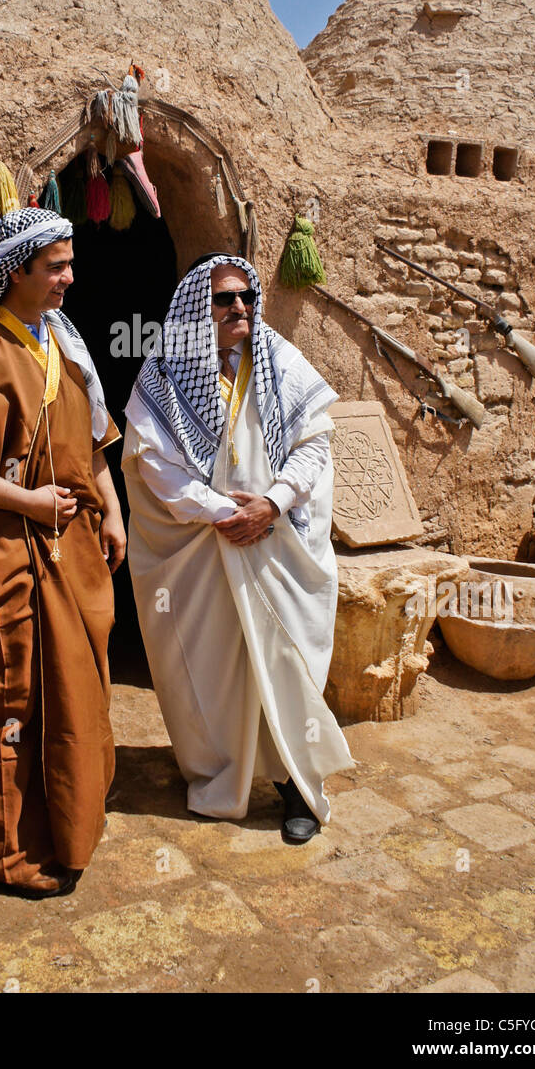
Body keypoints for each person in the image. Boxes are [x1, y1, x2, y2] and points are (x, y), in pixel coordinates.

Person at [0, 206, 126, 898]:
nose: (70, 277)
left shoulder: (62, 349)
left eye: (70, 264)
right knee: (6, 701)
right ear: (18, 272)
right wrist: (30, 504)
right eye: (57, 266)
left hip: (71, 557)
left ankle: (68, 825)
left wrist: (113, 513)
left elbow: (91, 446)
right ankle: (9, 851)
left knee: (73, 692)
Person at [122, 254, 353, 842]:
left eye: (246, 296)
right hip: (205, 553)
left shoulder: (281, 362)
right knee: (214, 665)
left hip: (275, 548)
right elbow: (155, 468)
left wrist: (271, 504)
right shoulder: (162, 376)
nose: (239, 308)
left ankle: (297, 786)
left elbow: (314, 445)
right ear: (200, 308)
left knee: (287, 660)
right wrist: (227, 513)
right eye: (224, 299)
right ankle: (221, 775)